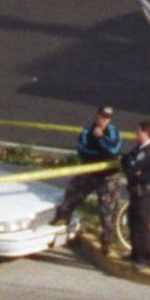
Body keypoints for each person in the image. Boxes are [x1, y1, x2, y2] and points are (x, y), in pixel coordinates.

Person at [51, 105, 121, 245]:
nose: (104, 120)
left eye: (107, 118)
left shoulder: (114, 132)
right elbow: (83, 151)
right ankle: (61, 224)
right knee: (71, 194)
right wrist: (101, 153)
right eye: (102, 117)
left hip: (108, 176)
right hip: (89, 172)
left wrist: (100, 139)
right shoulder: (86, 131)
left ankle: (106, 239)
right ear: (96, 116)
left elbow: (113, 150)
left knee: (107, 209)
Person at [121, 121, 150, 269]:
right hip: (136, 190)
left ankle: (145, 258)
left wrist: (132, 168)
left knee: (142, 224)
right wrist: (131, 166)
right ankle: (135, 254)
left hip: (145, 191)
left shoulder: (149, 150)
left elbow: (133, 168)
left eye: (138, 131)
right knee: (133, 222)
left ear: (146, 133)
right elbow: (126, 161)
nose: (136, 134)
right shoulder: (139, 148)